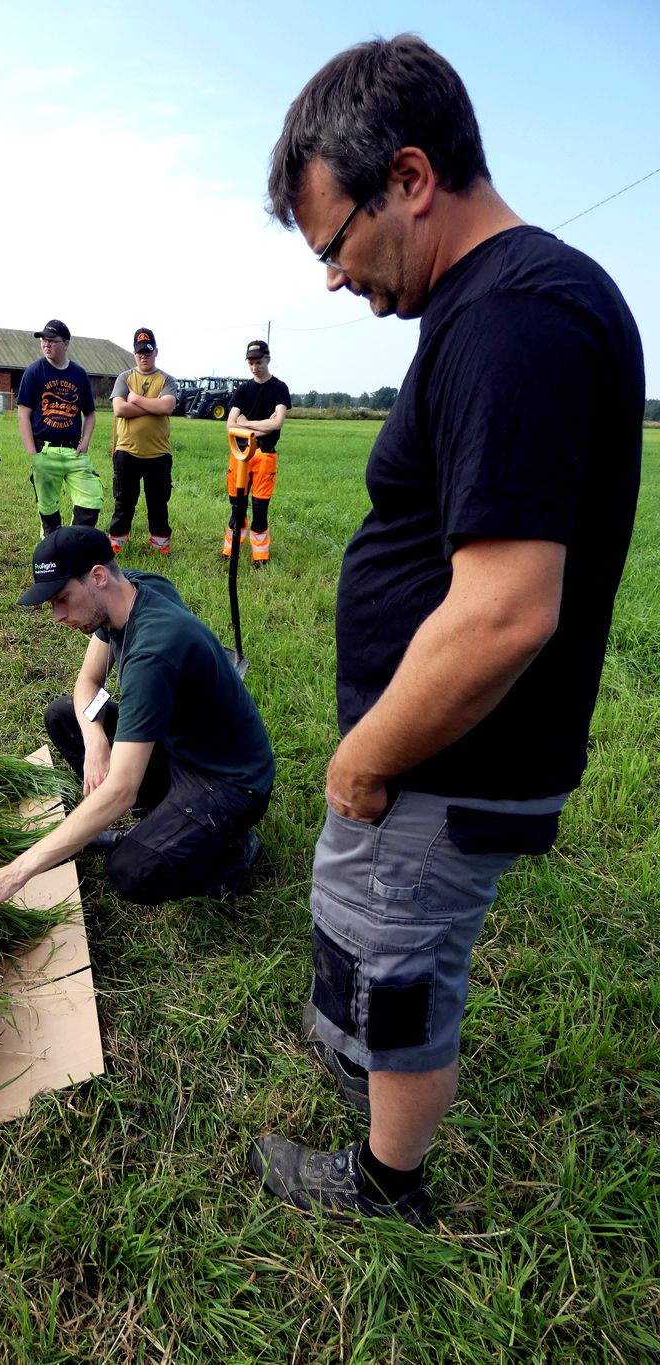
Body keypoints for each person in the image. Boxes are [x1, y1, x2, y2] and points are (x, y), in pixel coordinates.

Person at [249, 35, 643, 1227]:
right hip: (430, 752)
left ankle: (385, 1185)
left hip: (444, 760)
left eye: (334, 243)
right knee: (369, 929)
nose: (331, 279)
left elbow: (505, 611)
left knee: (400, 961)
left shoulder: (512, 322)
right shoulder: (497, 305)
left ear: (409, 179)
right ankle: (366, 1067)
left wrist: (368, 756)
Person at [0, 526, 274, 921]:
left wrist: (15, 873)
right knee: (65, 716)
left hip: (229, 783)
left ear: (97, 577)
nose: (58, 615)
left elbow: (119, 792)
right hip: (179, 745)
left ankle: (231, 854)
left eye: (62, 599)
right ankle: (166, 816)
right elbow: (87, 683)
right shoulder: (127, 590)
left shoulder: (154, 651)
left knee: (130, 870)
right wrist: (96, 740)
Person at [17, 319, 103, 535]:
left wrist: (85, 442)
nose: (46, 344)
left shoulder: (79, 374)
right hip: (45, 450)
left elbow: (90, 414)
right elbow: (23, 415)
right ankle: (52, 548)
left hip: (74, 452)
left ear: (65, 343)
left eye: (52, 341)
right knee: (47, 508)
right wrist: (33, 454)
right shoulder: (34, 371)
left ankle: (73, 542)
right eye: (43, 340)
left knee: (91, 501)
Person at [108, 328, 178, 556]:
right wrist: (152, 406)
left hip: (159, 454)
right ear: (134, 353)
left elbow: (166, 406)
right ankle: (117, 542)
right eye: (139, 352)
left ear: (156, 351)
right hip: (127, 452)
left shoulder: (166, 379)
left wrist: (136, 399)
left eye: (148, 351)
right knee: (123, 502)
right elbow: (119, 408)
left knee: (158, 503)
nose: (143, 356)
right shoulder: (124, 378)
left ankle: (160, 545)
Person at [223, 341, 292, 566]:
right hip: (240, 455)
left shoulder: (279, 388)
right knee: (237, 508)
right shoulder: (242, 390)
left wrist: (246, 423)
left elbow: (277, 423)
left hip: (265, 456)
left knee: (260, 510)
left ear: (268, 359)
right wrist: (262, 425)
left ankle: (260, 558)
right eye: (251, 362)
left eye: (259, 362)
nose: (255, 367)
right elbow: (230, 424)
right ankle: (230, 551)